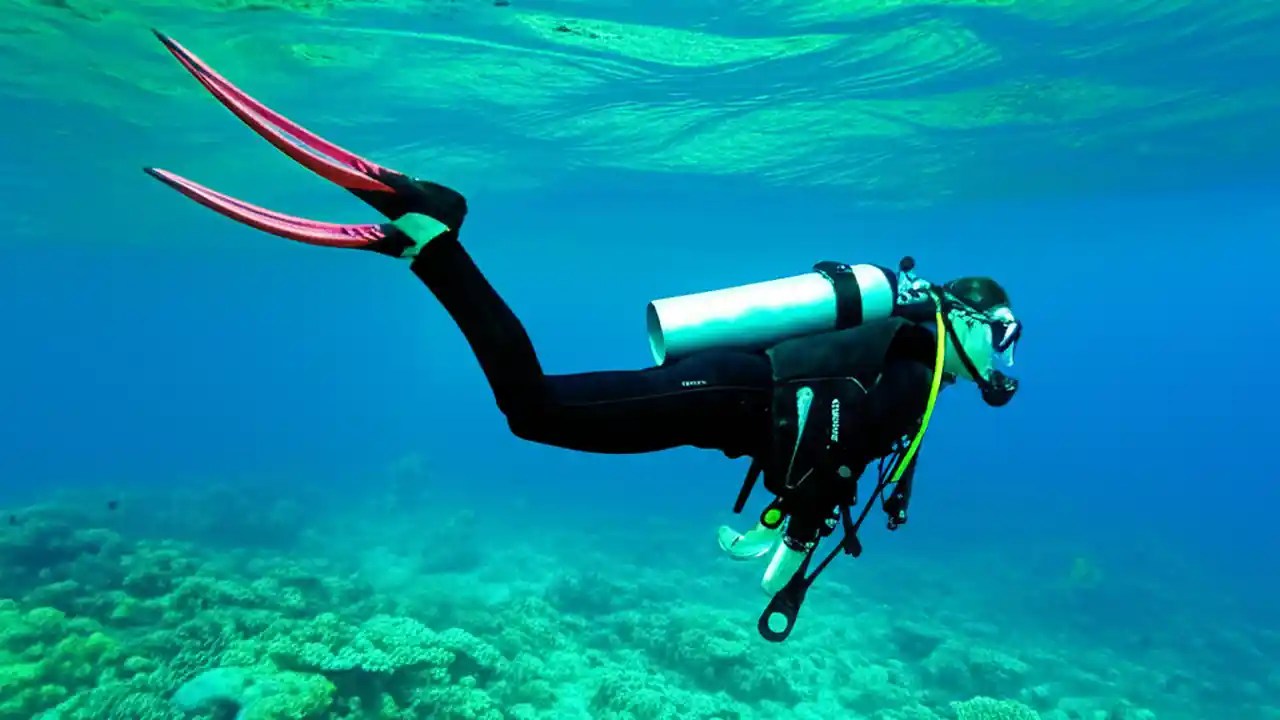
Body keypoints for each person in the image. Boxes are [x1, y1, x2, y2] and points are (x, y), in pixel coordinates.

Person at [142, 30, 1023, 641]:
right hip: (730, 395)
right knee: (535, 407)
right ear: (976, 322)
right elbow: (839, 442)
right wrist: (790, 557)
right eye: (1006, 338)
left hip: (732, 396)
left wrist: (777, 524)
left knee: (539, 408)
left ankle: (423, 244)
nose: (1003, 360)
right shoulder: (919, 362)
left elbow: (829, 438)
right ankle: (433, 237)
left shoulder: (914, 351)